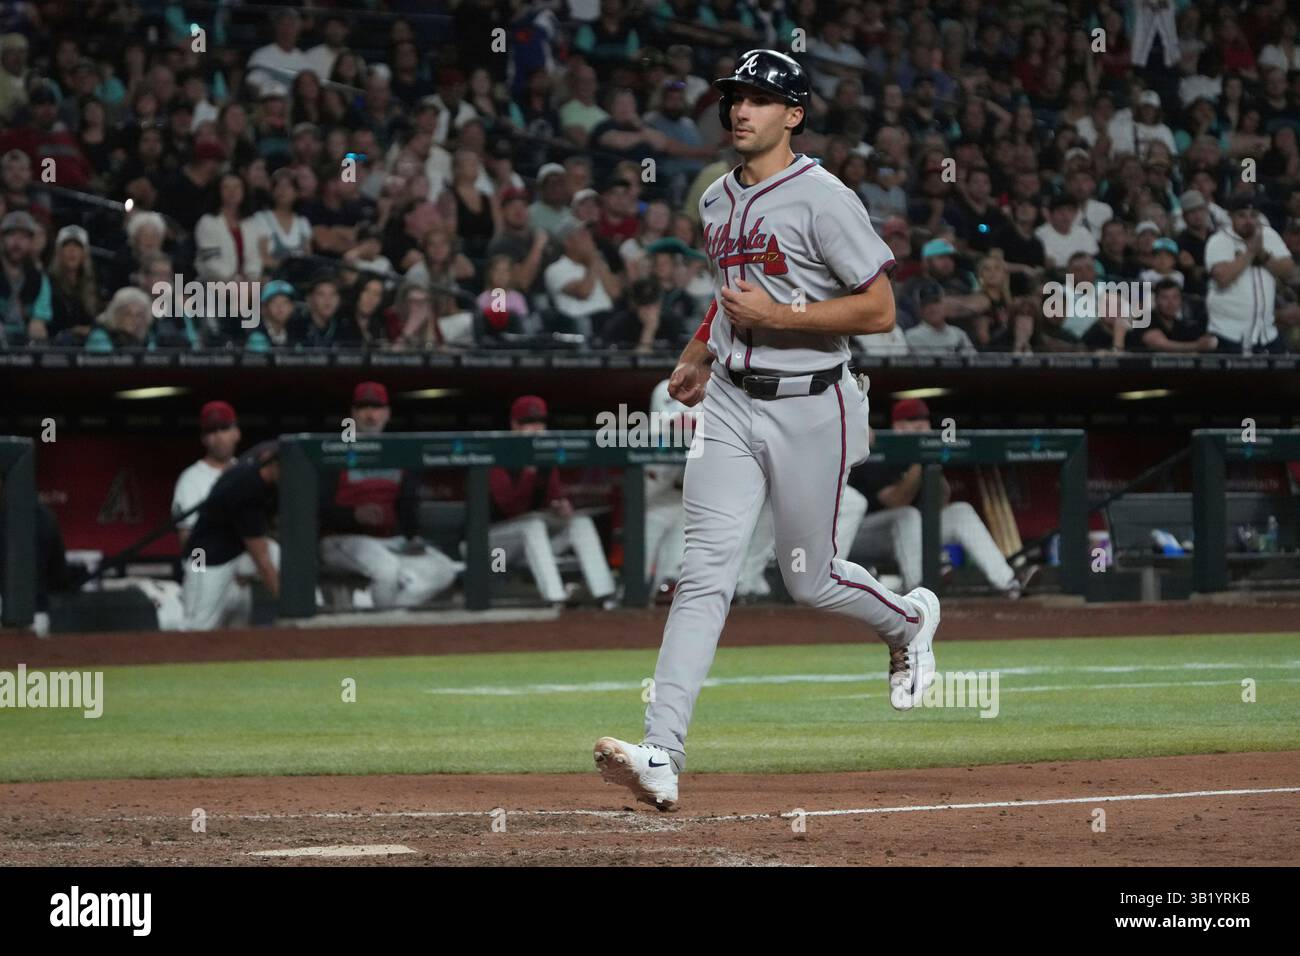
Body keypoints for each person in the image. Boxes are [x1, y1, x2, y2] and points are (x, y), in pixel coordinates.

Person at [593, 51, 940, 812]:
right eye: (734, 98)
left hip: (813, 403)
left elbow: (880, 310)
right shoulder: (715, 199)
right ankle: (662, 751)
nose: (740, 109)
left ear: (794, 113)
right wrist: (696, 348)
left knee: (807, 577)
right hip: (728, 401)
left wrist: (781, 320)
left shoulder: (824, 198)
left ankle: (909, 622)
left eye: (758, 98)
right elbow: (733, 295)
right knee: (704, 573)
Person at [844, 400, 1036, 598]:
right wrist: (920, 460)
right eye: (914, 421)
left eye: (925, 422)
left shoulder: (923, 449)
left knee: (960, 511)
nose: (922, 427)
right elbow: (895, 502)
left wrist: (932, 459)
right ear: (898, 426)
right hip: (860, 534)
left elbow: (941, 502)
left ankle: (1009, 582)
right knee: (906, 515)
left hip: (907, 535)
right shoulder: (877, 447)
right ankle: (918, 590)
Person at [318, 382, 463, 609]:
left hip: (389, 541)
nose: (370, 414)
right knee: (387, 570)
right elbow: (317, 508)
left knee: (443, 570)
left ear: (387, 414)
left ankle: (383, 615)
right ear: (353, 414)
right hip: (342, 540)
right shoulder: (334, 451)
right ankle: (384, 624)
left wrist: (411, 536)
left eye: (376, 408)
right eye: (364, 408)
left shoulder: (399, 453)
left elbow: (407, 504)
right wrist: (352, 515)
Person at [488, 395, 617, 608]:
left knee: (579, 522)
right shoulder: (497, 453)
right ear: (514, 425)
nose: (536, 428)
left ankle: (604, 594)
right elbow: (509, 507)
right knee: (533, 525)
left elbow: (555, 495)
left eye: (539, 422)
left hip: (527, 544)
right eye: (528, 423)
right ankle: (555, 598)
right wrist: (530, 474)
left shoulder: (544, 456)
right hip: (493, 548)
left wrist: (561, 505)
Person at [181, 441, 281, 631]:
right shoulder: (247, 485)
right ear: (273, 463)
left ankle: (310, 608)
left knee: (278, 553)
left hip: (233, 553)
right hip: (202, 558)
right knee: (196, 628)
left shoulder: (258, 474)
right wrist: (286, 605)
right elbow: (261, 559)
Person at [1204, 193, 1296, 353]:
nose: (1249, 221)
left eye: (1253, 216)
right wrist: (1250, 252)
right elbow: (1223, 278)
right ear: (1230, 216)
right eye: (1242, 215)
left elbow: (1289, 272)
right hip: (1227, 332)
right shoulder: (1218, 241)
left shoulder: (1268, 235)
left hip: (1266, 333)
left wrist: (1263, 254)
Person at [172, 401, 242, 552]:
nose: (218, 436)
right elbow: (190, 539)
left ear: (237, 433)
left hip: (245, 564)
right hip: (211, 567)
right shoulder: (191, 479)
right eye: (212, 430)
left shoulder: (246, 473)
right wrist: (199, 572)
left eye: (224, 428)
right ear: (203, 438)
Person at [0, 210, 52, 346]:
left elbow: (39, 318)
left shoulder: (38, 278)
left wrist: (37, 322)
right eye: (11, 235)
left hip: (24, 341)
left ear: (31, 242)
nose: (17, 242)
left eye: (23, 237)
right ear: (1, 239)